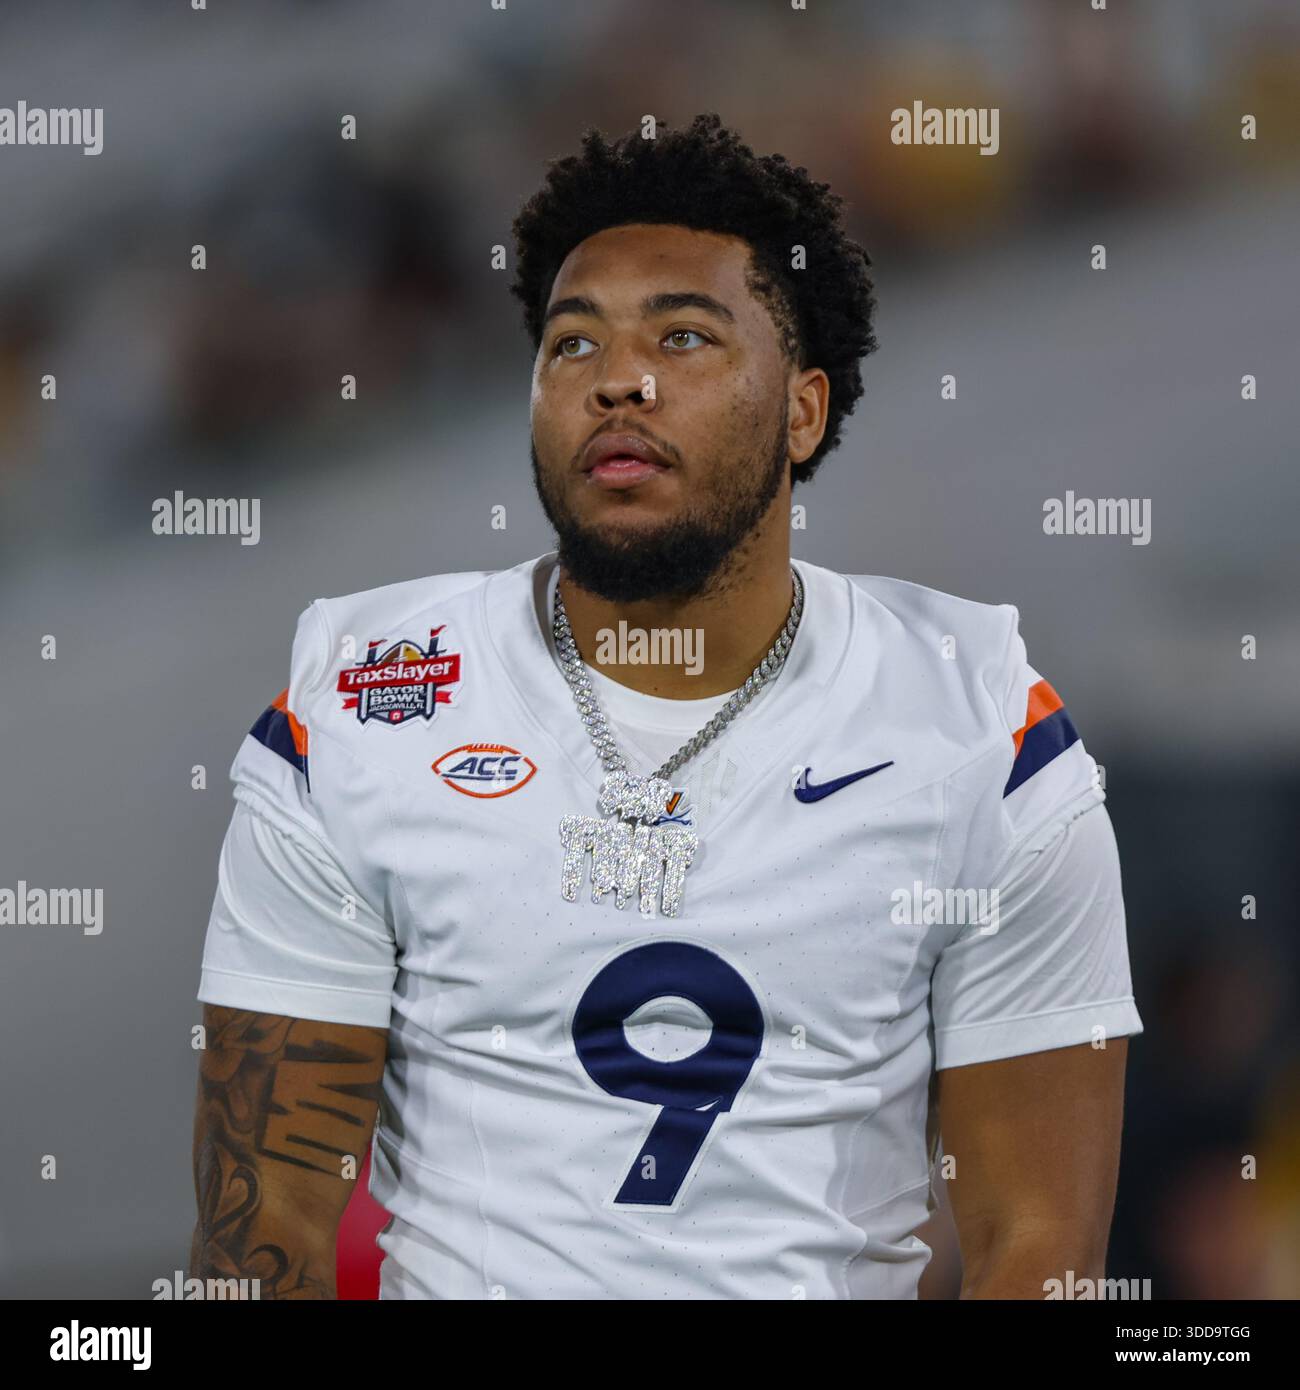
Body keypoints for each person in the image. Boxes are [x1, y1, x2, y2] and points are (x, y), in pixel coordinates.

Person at [190, 113, 1142, 1300]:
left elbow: (1038, 1250)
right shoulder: (368, 697)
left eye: (682, 337)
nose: (617, 382)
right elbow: (259, 1230)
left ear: (802, 410)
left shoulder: (975, 720)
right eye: (571, 345)